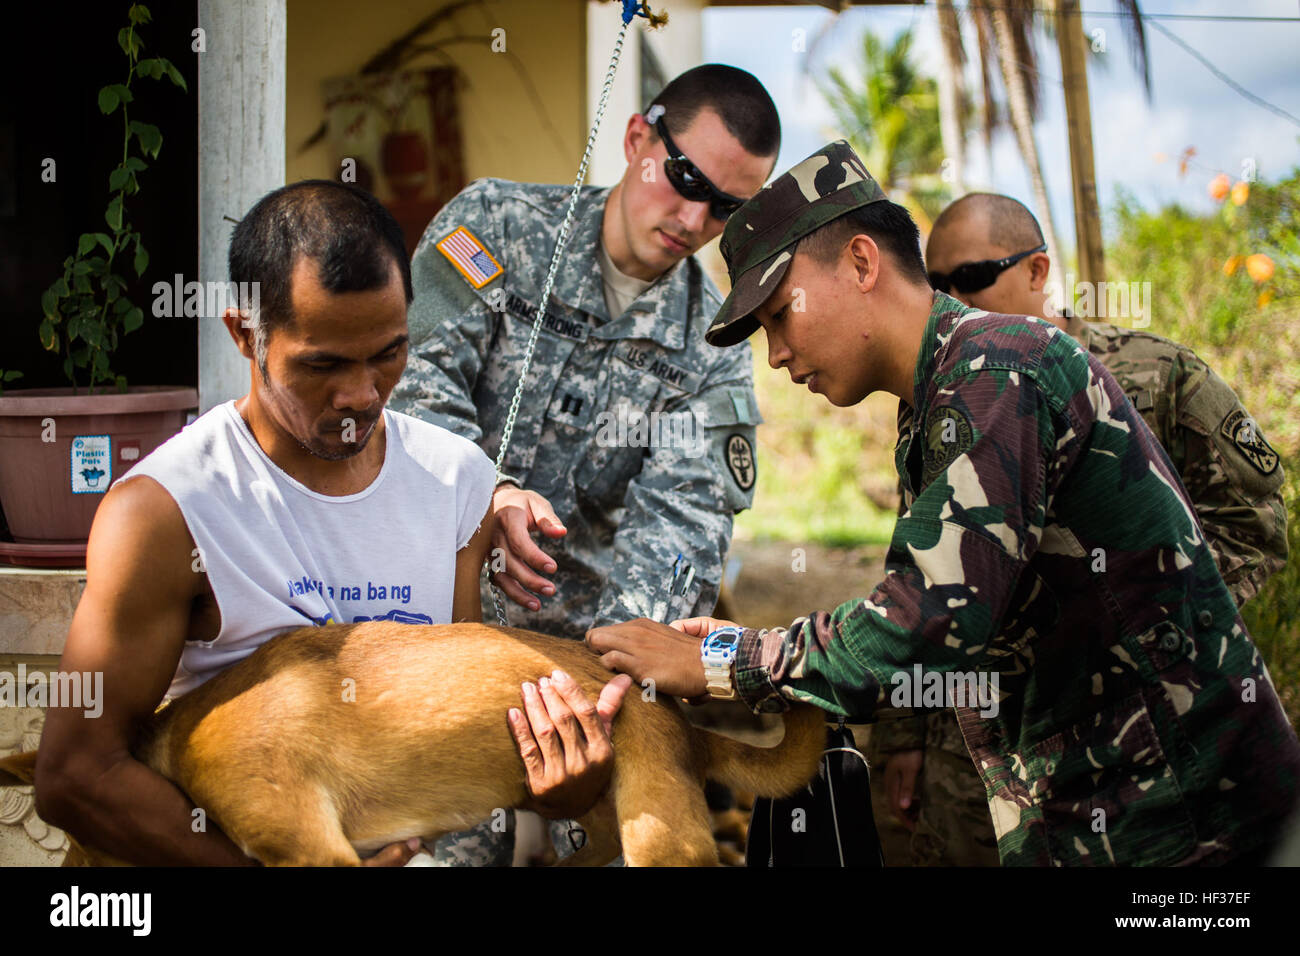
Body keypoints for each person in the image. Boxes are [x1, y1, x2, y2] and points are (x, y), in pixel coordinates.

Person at [586, 142, 1300, 866]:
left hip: (1183, 825)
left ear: (863, 263)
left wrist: (726, 658)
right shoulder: (940, 397)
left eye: (779, 314)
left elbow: (928, 619)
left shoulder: (1000, 368)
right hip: (1101, 813)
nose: (775, 353)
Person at [33, 181, 628, 866]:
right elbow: (75, 775)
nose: (362, 395)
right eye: (324, 364)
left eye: (388, 354)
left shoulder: (455, 481)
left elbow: (456, 731)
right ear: (245, 334)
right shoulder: (168, 511)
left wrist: (560, 787)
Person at [387, 64, 780, 863]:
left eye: (726, 208)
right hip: (431, 633)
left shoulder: (712, 350)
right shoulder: (494, 224)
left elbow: (681, 533)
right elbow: (408, 385)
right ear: (638, 139)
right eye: (684, 178)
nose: (694, 218)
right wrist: (486, 495)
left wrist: (605, 697)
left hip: (579, 675)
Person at [869, 192, 1290, 866]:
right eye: (937, 283)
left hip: (1130, 736)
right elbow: (917, 568)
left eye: (973, 278)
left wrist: (1146, 634)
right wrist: (902, 736)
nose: (952, 299)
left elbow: (1253, 525)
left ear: (1038, 272)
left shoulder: (1156, 378)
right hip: (973, 748)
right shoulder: (933, 404)